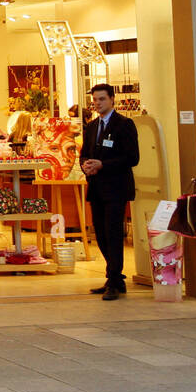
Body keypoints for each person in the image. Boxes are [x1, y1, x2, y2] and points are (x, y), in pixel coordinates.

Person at [80, 83, 139, 300]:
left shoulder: (124, 124)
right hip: (97, 188)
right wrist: (86, 165)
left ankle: (115, 280)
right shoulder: (93, 126)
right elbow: (84, 154)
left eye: (102, 99)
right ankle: (112, 276)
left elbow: (132, 158)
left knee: (114, 234)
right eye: (95, 100)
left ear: (112, 99)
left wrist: (103, 165)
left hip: (116, 188)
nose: (97, 103)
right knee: (101, 235)